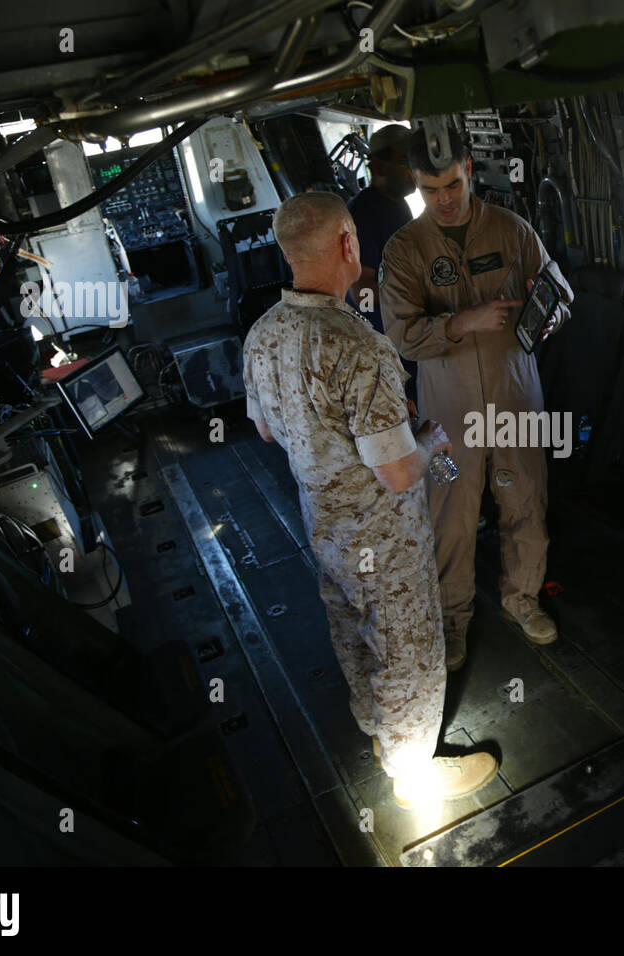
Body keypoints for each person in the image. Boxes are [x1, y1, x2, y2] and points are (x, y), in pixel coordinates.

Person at [241, 192, 498, 808]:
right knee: (408, 646)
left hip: (323, 523)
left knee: (351, 624)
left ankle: (378, 728)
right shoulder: (360, 346)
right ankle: (413, 772)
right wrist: (429, 436)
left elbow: (267, 429)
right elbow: (402, 475)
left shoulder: (262, 333)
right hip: (384, 536)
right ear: (348, 244)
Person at [379, 126, 573, 671]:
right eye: (429, 189)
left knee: (526, 503)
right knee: (450, 514)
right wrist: (463, 322)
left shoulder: (511, 229)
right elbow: (400, 335)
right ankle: (451, 620)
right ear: (415, 183)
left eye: (454, 185)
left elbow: (559, 288)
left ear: (468, 168)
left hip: (517, 403)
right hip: (448, 417)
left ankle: (522, 600)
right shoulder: (405, 249)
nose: (444, 199)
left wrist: (554, 312)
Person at [347, 124, 418, 400]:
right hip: (386, 342)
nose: (413, 170)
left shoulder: (397, 203)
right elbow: (361, 293)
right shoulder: (363, 213)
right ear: (379, 166)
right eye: (404, 162)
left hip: (406, 334)